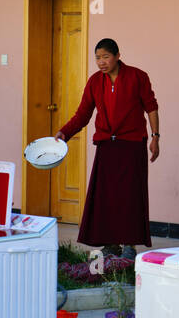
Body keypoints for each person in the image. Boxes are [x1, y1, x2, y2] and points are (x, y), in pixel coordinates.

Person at [56, 39, 159, 255]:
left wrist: (155, 137)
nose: (101, 62)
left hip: (132, 144)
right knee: (106, 198)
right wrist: (64, 133)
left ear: (117, 56)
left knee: (131, 196)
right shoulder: (94, 82)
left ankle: (129, 244)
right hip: (106, 145)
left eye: (105, 57)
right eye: (97, 58)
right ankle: (110, 244)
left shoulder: (137, 76)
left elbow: (151, 107)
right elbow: (83, 114)